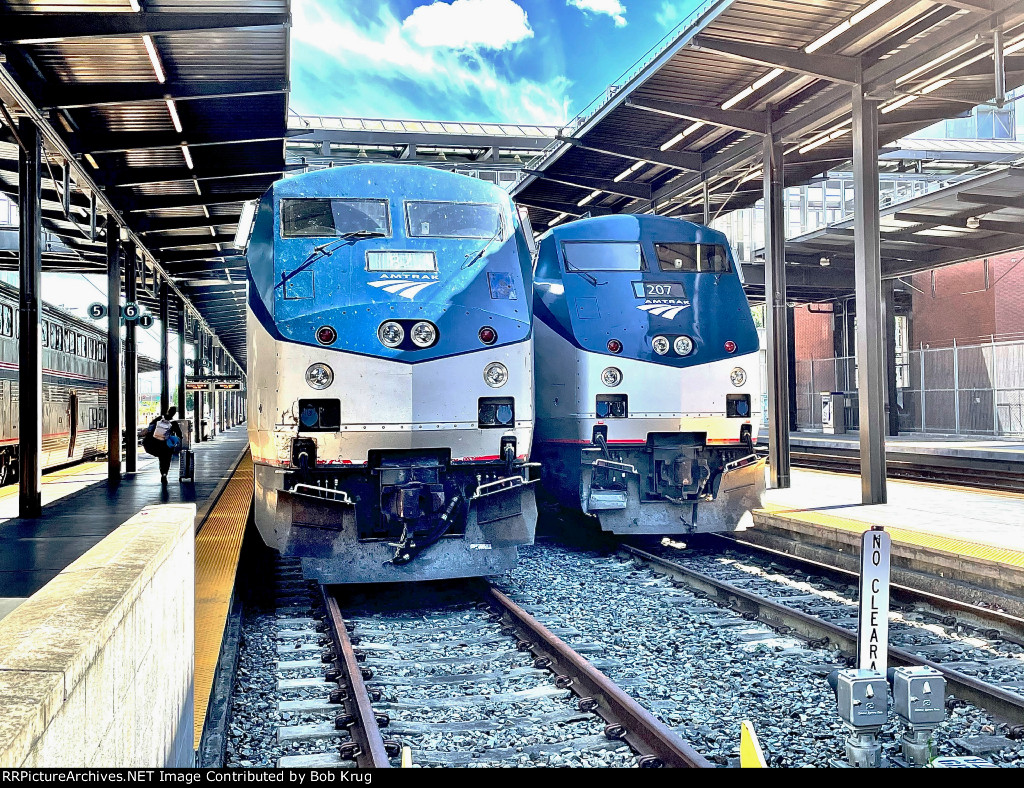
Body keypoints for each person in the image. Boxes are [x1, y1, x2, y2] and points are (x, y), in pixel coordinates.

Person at [144, 407, 184, 483]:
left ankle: (162, 473)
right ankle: (165, 474)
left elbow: (151, 426)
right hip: (166, 444)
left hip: (156, 442)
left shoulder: (159, 418)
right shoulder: (173, 422)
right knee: (166, 460)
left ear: (168, 411)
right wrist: (179, 437)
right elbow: (179, 433)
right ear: (174, 413)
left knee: (161, 459)